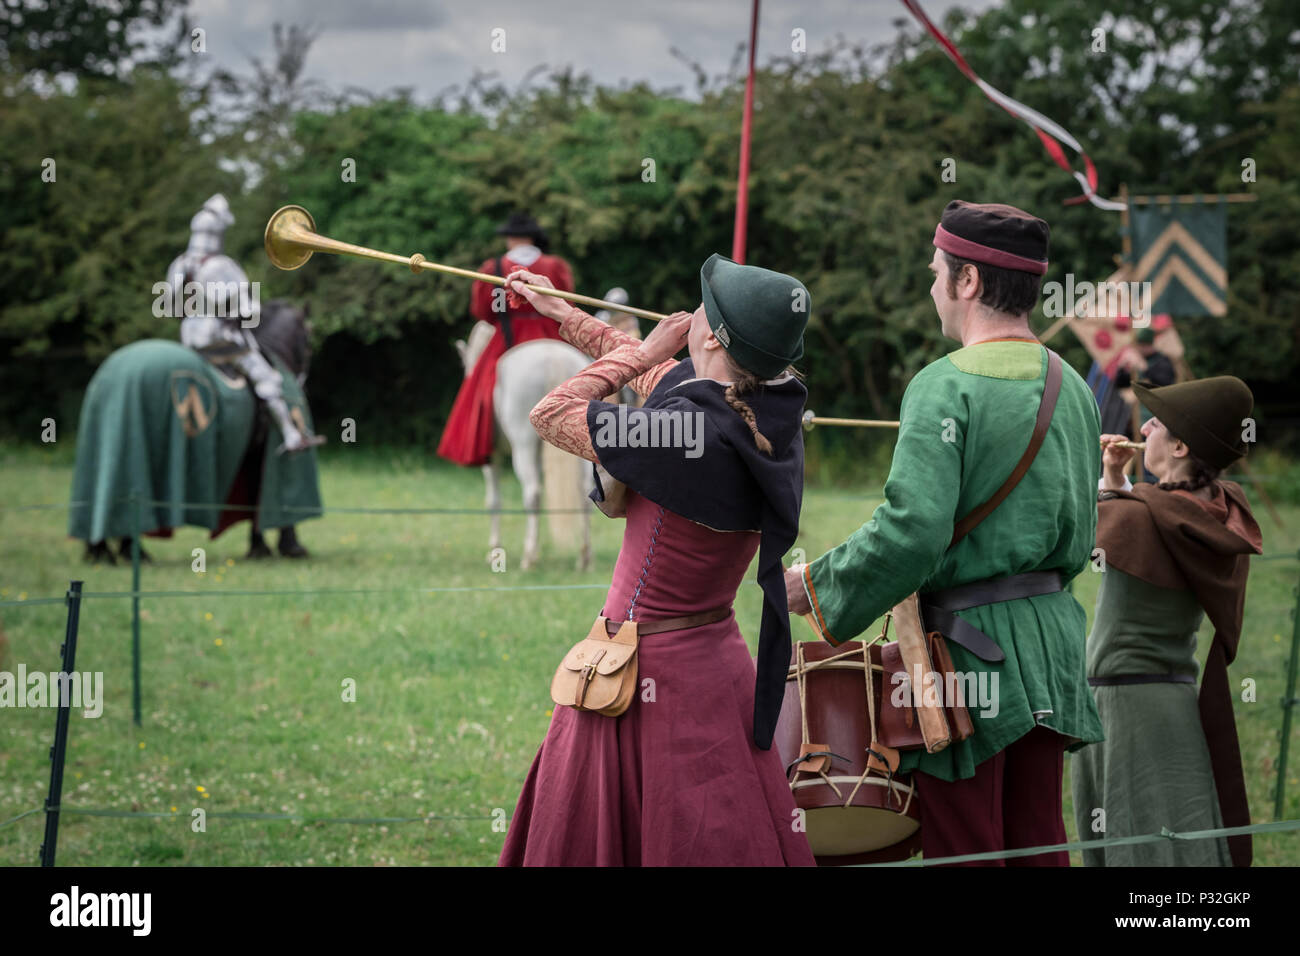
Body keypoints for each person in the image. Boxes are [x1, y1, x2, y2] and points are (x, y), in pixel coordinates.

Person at [785, 200, 1104, 866]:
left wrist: (813, 585)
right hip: (1052, 638)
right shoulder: (1071, 384)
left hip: (968, 654)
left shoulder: (942, 386)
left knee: (966, 845)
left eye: (937, 271)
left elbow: (912, 531)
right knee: (1039, 839)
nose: (932, 286)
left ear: (968, 282)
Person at [497, 255, 816, 866]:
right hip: (719, 665)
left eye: (704, 310)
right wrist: (563, 312)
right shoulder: (761, 412)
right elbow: (670, 383)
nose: (691, 314)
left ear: (714, 339)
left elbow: (552, 414)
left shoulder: (688, 435)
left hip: (640, 676)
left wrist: (641, 354)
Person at [1074, 376, 1262, 867]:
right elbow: (1153, 522)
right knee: (1173, 853)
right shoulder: (1219, 511)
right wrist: (1116, 483)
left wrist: (1097, 477)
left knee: (1140, 856)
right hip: (1171, 705)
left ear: (1179, 445)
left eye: (1157, 421)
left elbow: (1083, 532)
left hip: (1128, 708)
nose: (1146, 426)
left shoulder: (1142, 516)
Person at [164, 194, 324, 454]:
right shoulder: (222, 266)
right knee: (267, 379)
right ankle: (292, 435)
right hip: (219, 340)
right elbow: (249, 309)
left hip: (188, 338)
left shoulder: (179, 264)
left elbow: (171, 306)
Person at [436, 212, 575, 467]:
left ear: (510, 239)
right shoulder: (555, 266)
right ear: (532, 238)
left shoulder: (494, 268)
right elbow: (569, 304)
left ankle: (483, 442)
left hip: (509, 337)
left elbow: (483, 312)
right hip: (554, 333)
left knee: (480, 387)